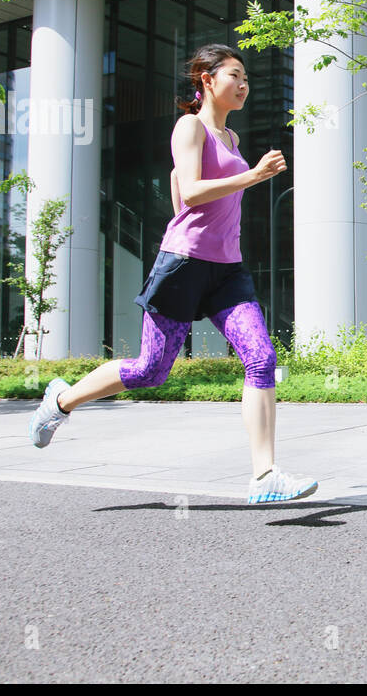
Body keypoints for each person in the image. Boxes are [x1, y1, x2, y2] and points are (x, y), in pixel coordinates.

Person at [27, 43, 316, 504]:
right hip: (184, 265)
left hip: (227, 270)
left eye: (247, 80)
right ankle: (60, 402)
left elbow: (182, 189)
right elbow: (196, 193)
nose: (243, 85)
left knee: (261, 358)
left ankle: (264, 476)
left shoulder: (233, 140)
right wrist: (254, 176)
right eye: (235, 76)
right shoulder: (190, 126)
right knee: (150, 370)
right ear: (207, 80)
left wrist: (222, 184)